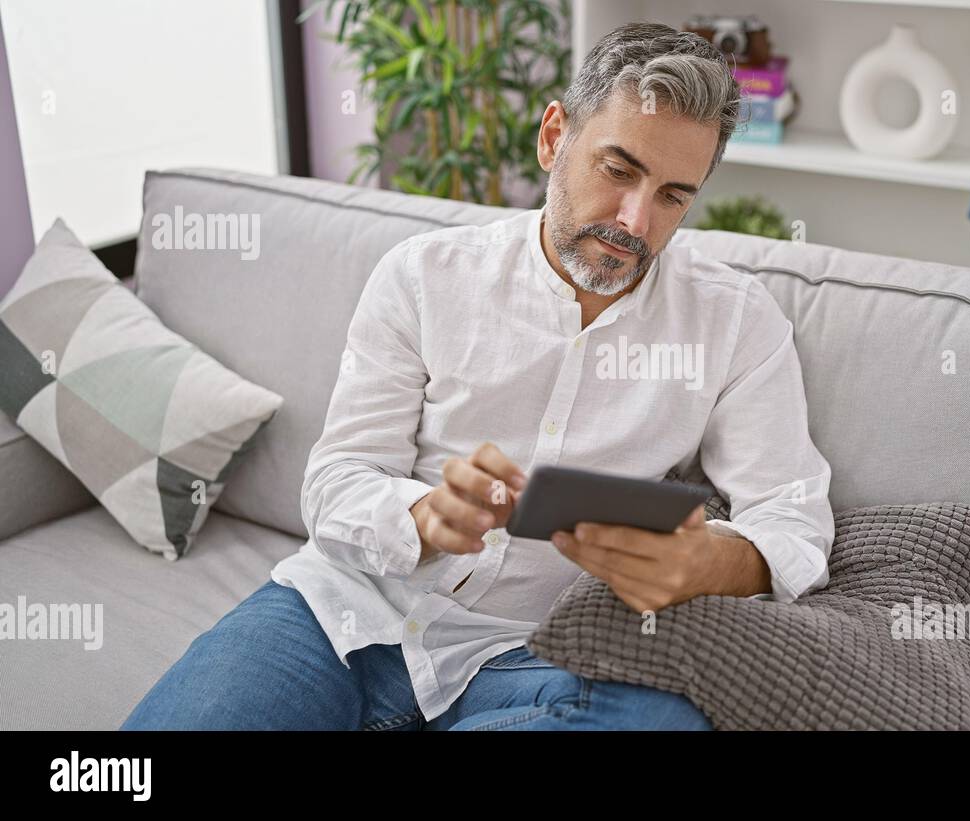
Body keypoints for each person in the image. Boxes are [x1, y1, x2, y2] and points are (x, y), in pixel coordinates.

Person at [121, 21, 833, 732]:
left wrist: (709, 561)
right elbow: (337, 483)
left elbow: (792, 521)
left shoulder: (736, 322)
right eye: (618, 170)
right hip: (347, 617)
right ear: (555, 136)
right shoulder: (423, 276)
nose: (635, 221)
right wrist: (423, 519)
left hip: (544, 657)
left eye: (673, 196)